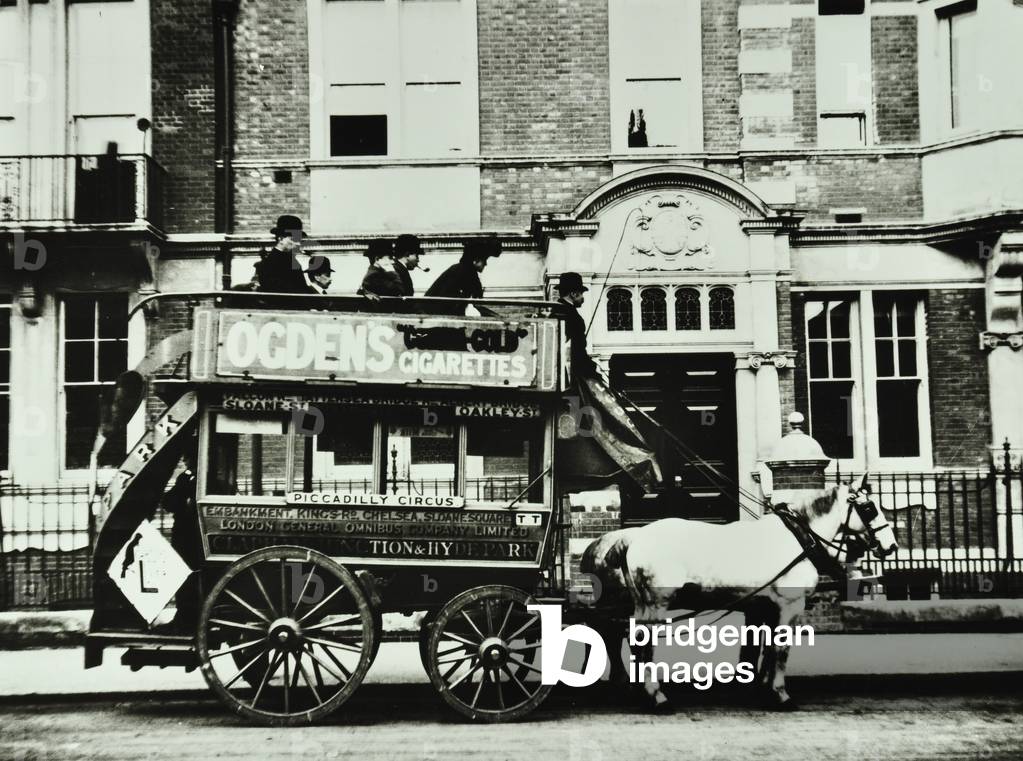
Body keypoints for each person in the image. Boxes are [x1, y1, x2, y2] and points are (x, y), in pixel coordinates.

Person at [425, 237, 500, 306]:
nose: (486, 264)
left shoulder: (463, 269)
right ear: (475, 261)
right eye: (484, 260)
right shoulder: (465, 272)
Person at [555, 271, 598, 378]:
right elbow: (576, 348)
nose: (583, 298)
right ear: (573, 294)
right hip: (573, 372)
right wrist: (590, 368)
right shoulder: (571, 315)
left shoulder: (557, 309)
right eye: (581, 294)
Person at [255, 214, 309, 294]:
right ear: (280, 238)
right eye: (294, 239)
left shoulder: (294, 262)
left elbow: (303, 290)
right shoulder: (268, 264)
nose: (298, 244)